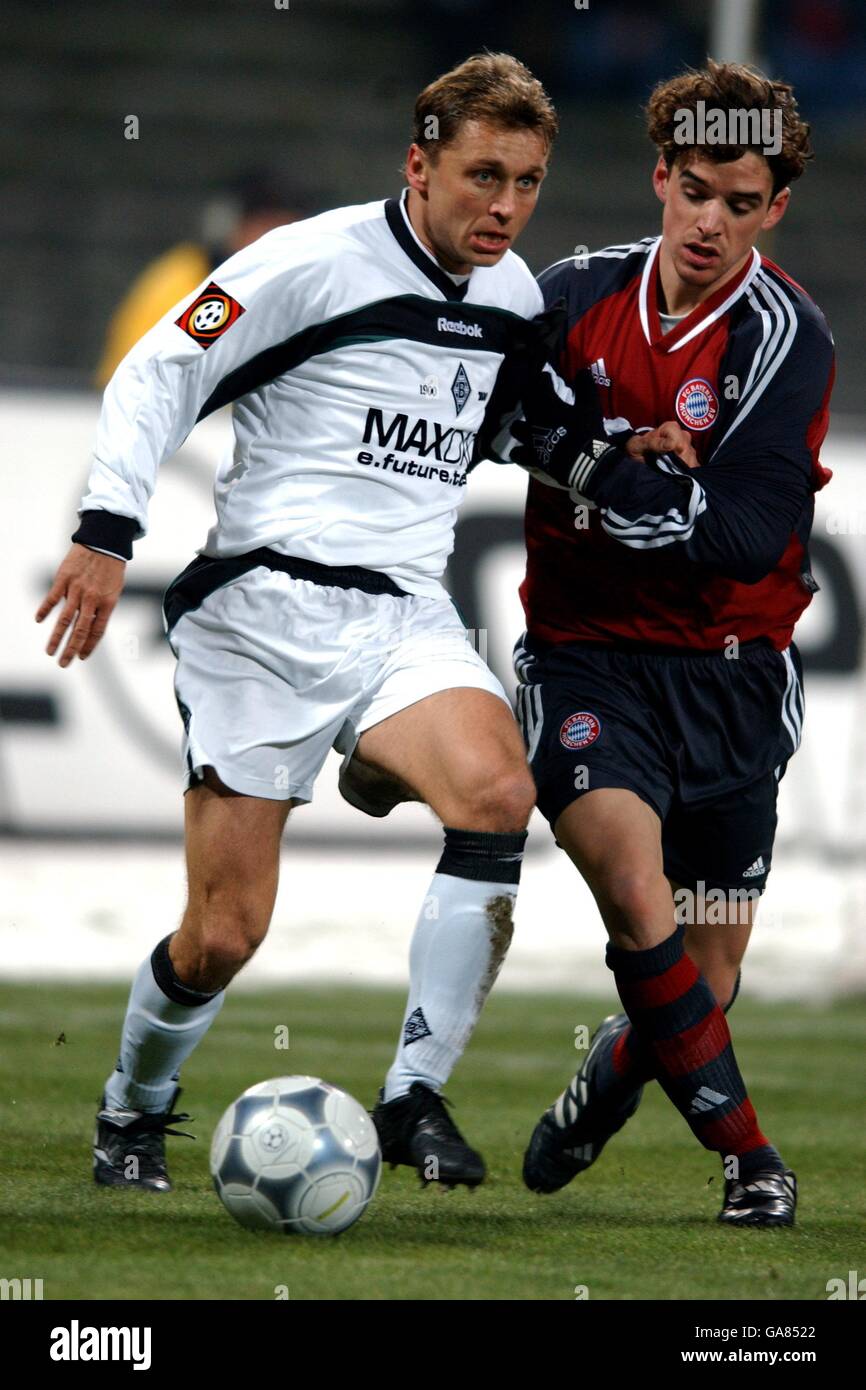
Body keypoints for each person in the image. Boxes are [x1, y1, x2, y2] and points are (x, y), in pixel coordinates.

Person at [35, 52, 558, 1193]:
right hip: (264, 616)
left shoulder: (514, 298)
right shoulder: (305, 262)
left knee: (497, 794)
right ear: (417, 165)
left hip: (403, 614)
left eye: (524, 182)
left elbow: (513, 426)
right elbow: (159, 368)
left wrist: (613, 460)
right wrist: (106, 529)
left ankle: (413, 1096)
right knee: (222, 936)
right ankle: (133, 1104)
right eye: (481, 175)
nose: (504, 207)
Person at [504, 60, 833, 1225]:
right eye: (694, 191)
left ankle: (606, 1082)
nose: (710, 222)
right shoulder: (572, 292)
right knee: (637, 900)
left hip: (732, 677)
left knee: (706, 981)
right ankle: (752, 1162)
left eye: (739, 204)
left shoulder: (786, 338)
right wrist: (606, 462)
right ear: (658, 177)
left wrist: (623, 484)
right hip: (586, 655)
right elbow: (497, 406)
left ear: (773, 209)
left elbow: (747, 535)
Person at [95, 170, 311, 387]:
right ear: (232, 226)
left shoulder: (311, 293)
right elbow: (146, 380)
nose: (274, 243)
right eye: (265, 226)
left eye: (288, 231)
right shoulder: (194, 284)